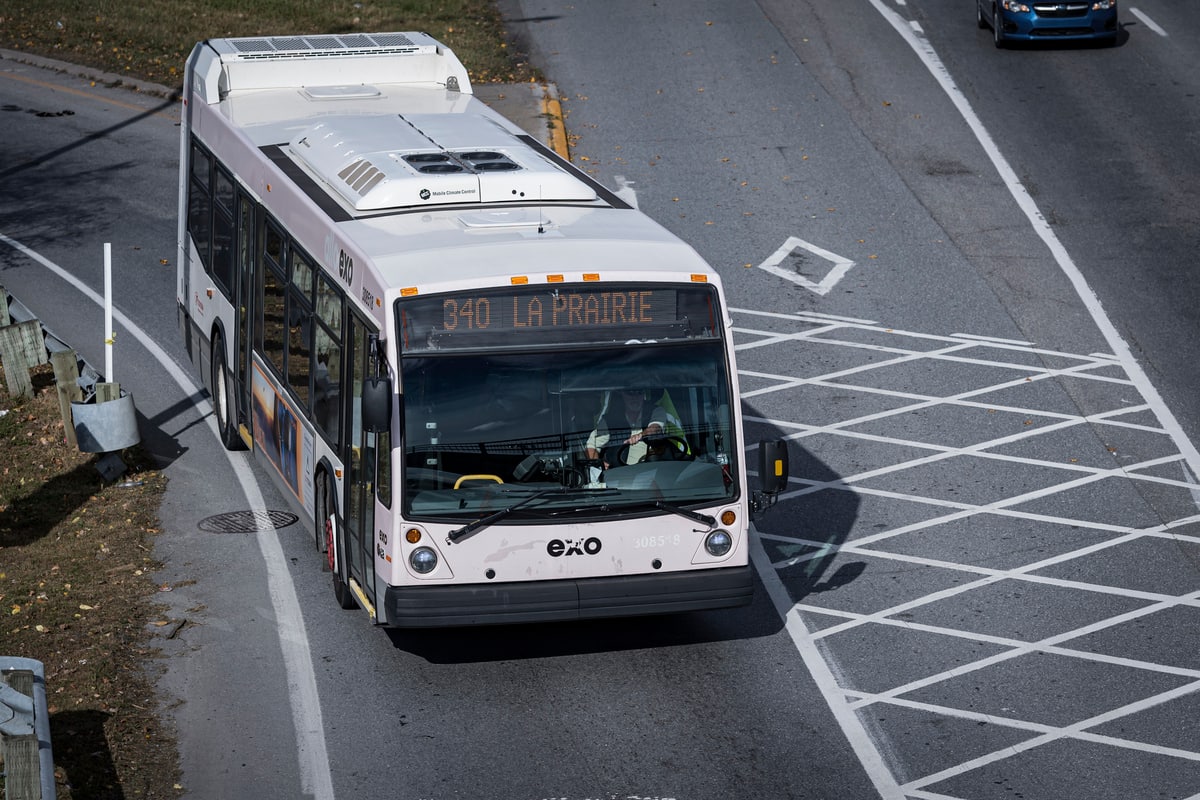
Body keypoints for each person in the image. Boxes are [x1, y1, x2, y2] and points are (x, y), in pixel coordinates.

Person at [585, 388, 678, 469]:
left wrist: (642, 435)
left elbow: (655, 428)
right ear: (622, 395)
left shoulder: (656, 411)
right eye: (630, 393)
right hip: (621, 476)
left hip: (653, 471)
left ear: (643, 395)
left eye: (639, 393)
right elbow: (591, 446)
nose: (635, 397)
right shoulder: (610, 420)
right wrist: (598, 466)